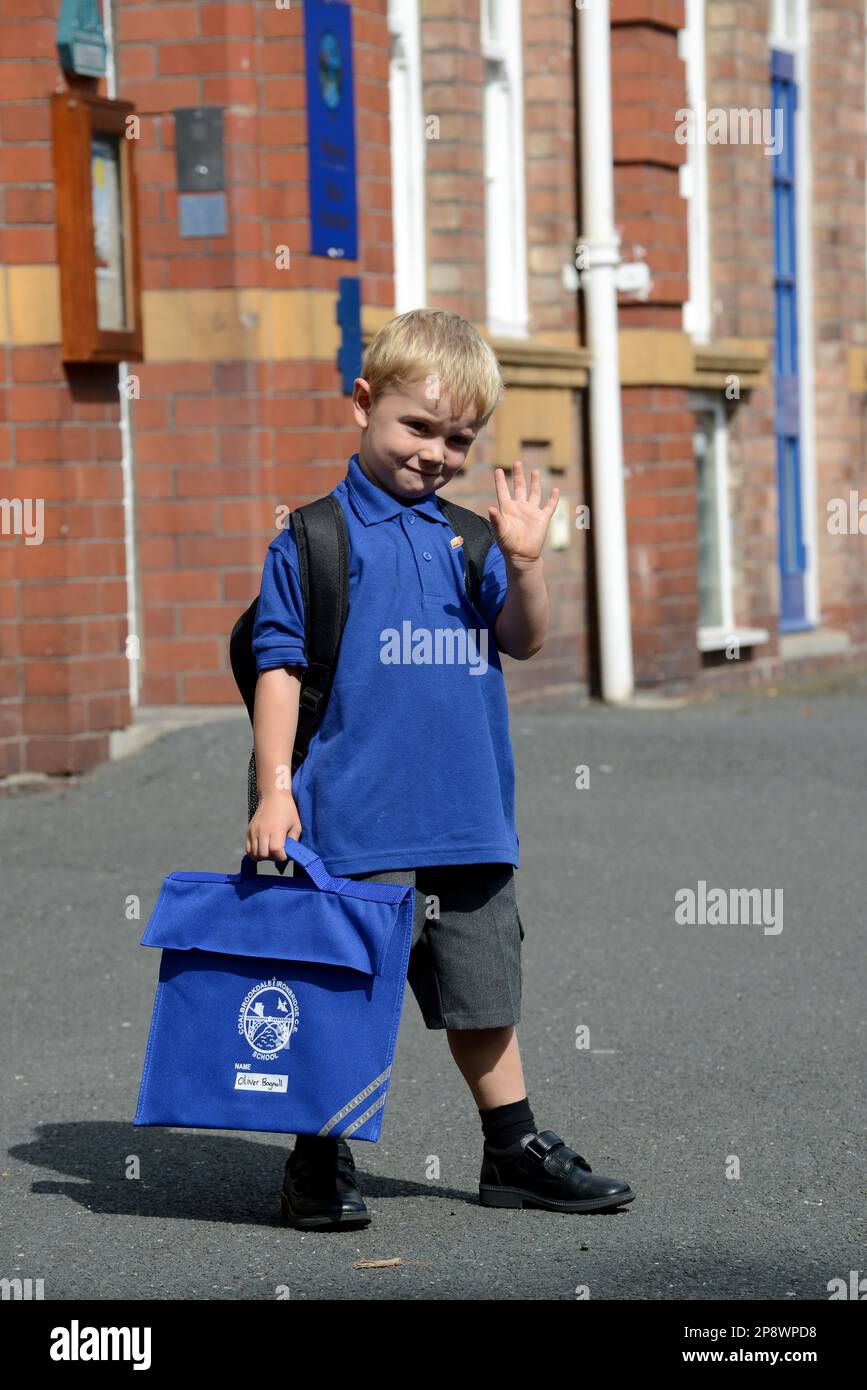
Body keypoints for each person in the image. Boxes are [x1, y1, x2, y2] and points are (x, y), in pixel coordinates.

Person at [246, 307, 635, 1229]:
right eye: (416, 427)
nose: (435, 453)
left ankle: (514, 1150)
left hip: (465, 814)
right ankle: (316, 1157)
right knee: (342, 990)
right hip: (348, 815)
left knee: (482, 990)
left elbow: (523, 640)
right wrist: (272, 791)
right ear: (362, 405)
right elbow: (278, 663)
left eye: (457, 438)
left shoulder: (472, 539)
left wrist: (526, 563)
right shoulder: (311, 538)